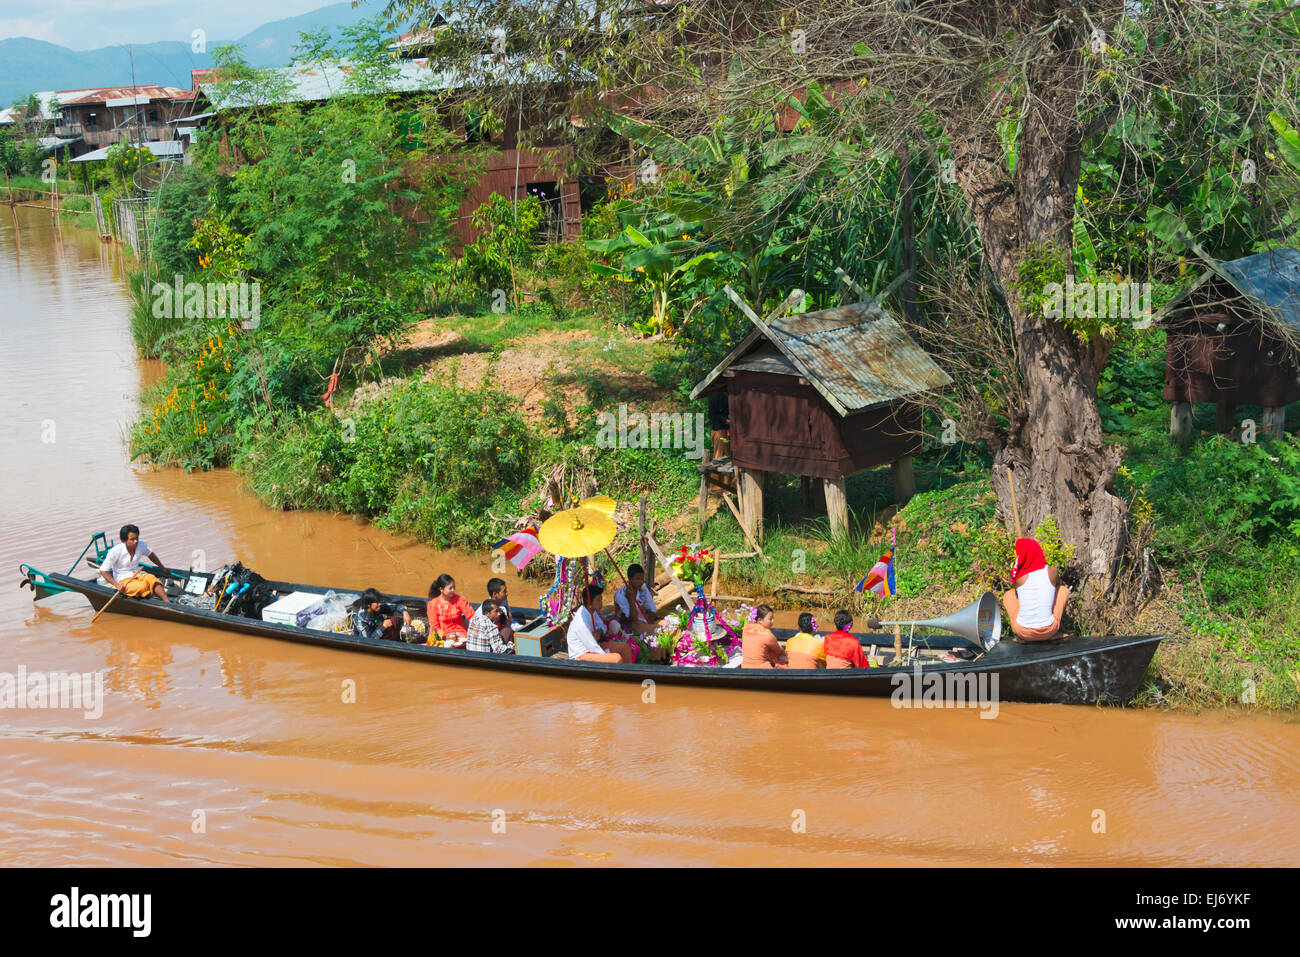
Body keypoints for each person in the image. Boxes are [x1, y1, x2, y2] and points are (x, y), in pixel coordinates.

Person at [1002, 537, 1071, 641]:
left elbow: (1017, 595)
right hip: (1049, 631)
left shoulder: (1019, 578)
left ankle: (1023, 638)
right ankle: (1052, 634)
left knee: (1009, 595)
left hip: (1023, 632)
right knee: (1062, 590)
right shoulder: (1051, 571)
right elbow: (1059, 584)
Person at [98, 524, 171, 602]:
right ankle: (150, 596)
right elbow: (103, 571)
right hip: (123, 579)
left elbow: (151, 555)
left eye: (137, 538)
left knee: (153, 580)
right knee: (141, 587)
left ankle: (168, 603)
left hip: (138, 573)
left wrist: (162, 568)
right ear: (124, 540)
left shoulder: (141, 544)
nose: (136, 541)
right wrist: (117, 585)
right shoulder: (115, 551)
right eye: (132, 539)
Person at [567, 584, 633, 663]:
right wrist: (607, 654)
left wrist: (599, 632)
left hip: (596, 645)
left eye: (601, 600)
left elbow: (603, 627)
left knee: (625, 648)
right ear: (589, 602)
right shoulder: (582, 622)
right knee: (616, 658)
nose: (601, 603)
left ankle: (627, 673)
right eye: (598, 600)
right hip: (582, 655)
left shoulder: (592, 611)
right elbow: (593, 647)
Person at [614, 564, 660, 635]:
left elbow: (652, 609)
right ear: (630, 579)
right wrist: (631, 599)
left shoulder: (643, 589)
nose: (641, 582)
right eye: (637, 579)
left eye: (642, 579)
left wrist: (648, 622)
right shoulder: (620, 596)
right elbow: (633, 618)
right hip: (626, 624)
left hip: (642, 620)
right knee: (646, 628)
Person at [427, 574, 474, 643]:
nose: (453, 590)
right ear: (441, 589)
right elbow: (435, 626)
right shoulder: (433, 604)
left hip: (460, 635)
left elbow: (472, 616)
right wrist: (446, 638)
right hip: (441, 636)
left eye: (454, 587)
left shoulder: (460, 600)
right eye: (450, 588)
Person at [741, 605, 787, 669]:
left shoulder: (746, 630)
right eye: (770, 619)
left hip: (745, 667)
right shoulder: (767, 634)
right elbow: (778, 651)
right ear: (760, 620)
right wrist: (784, 651)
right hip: (761, 670)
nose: (773, 621)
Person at [485, 577, 515, 641]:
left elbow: (510, 620)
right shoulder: (485, 611)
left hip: (501, 632)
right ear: (495, 594)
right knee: (507, 631)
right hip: (491, 639)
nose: (507, 593)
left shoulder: (504, 601)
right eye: (504, 591)